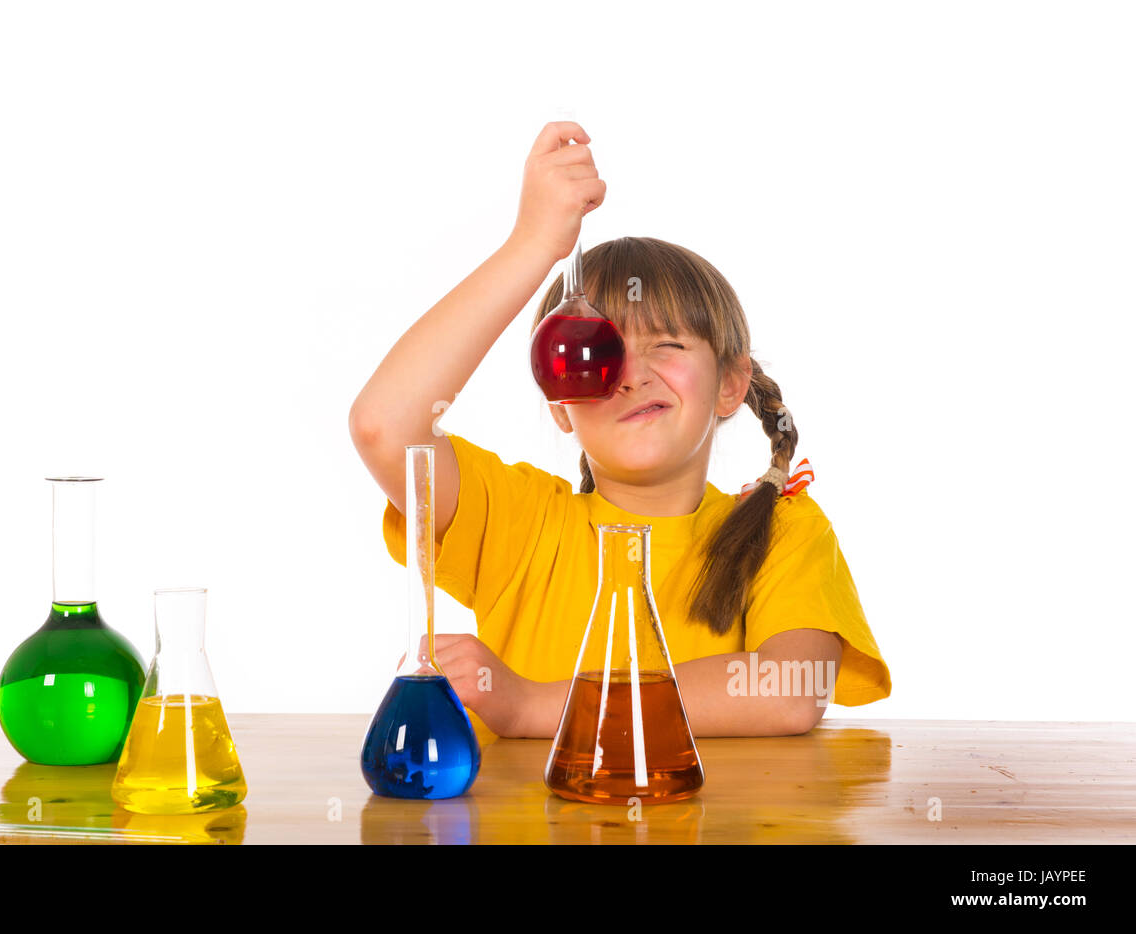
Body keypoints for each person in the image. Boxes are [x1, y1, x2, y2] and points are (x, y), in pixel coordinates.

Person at [350, 121, 890, 742]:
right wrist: (532, 245)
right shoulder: (520, 526)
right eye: (596, 356)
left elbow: (789, 693)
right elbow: (384, 426)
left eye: (666, 343)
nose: (632, 377)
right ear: (560, 405)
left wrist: (532, 706)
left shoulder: (782, 530)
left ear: (730, 384)